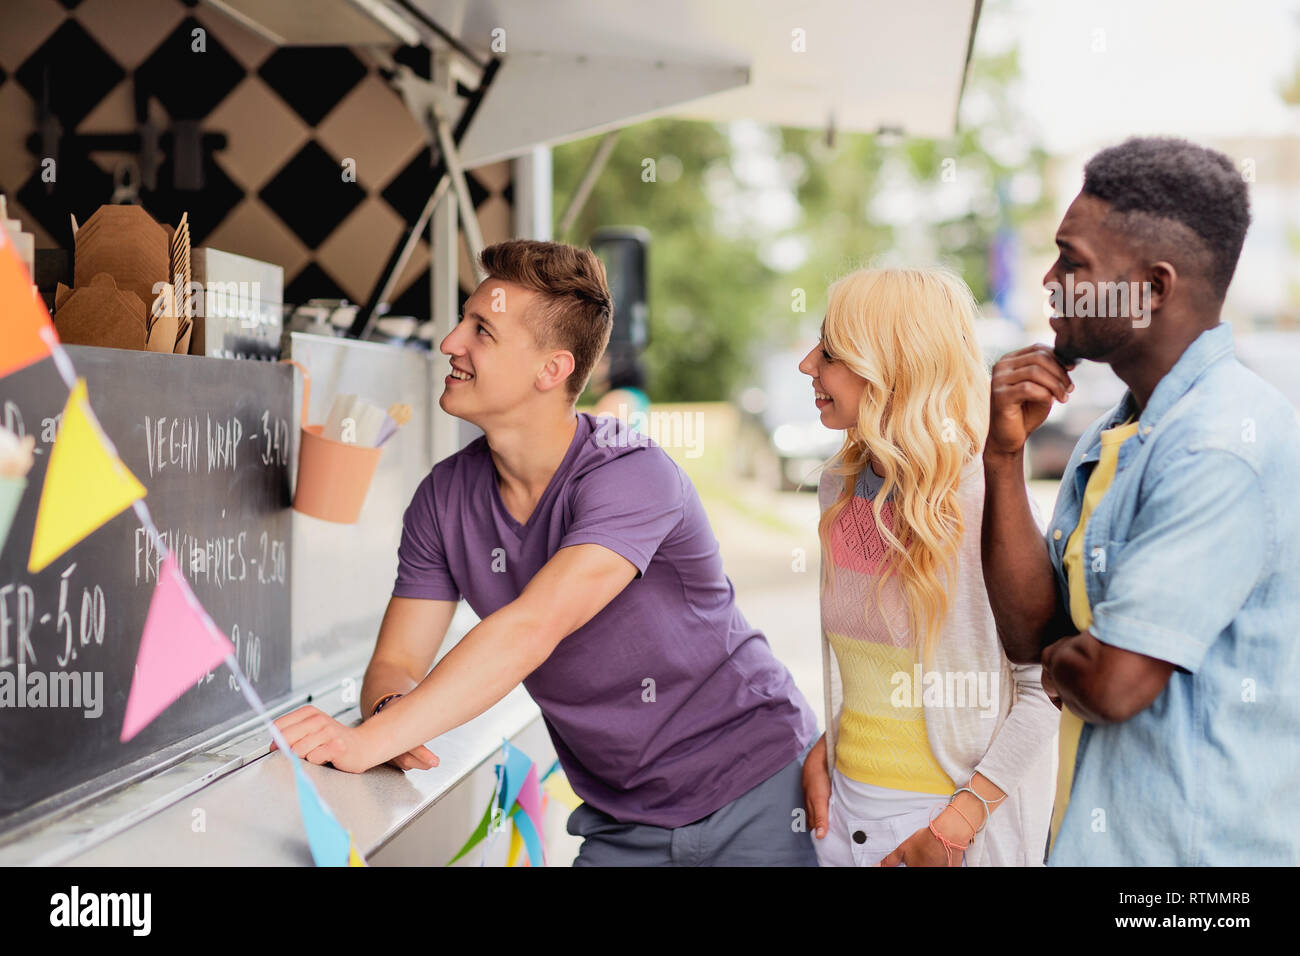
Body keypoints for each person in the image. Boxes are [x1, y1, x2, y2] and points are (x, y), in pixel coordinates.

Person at [273, 239, 820, 866]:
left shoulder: (631, 472)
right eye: (461, 322)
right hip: (622, 819)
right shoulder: (443, 497)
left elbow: (534, 626)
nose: (451, 342)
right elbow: (395, 662)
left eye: (482, 330)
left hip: (762, 793)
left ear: (552, 370)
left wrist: (367, 741)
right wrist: (393, 722)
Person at [981, 136, 1300, 865]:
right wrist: (1003, 457)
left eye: (1073, 261)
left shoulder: (1219, 443)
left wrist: (1079, 662)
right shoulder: (1116, 432)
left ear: (1153, 287)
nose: (1050, 281)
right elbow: (1033, 640)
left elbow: (1115, 685)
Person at [797, 266, 1057, 867]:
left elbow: (1045, 687)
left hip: (945, 829)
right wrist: (831, 742)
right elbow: (879, 665)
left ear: (892, 364)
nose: (808, 364)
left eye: (832, 350)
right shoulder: (839, 486)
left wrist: (956, 826)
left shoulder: (985, 499)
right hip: (841, 815)